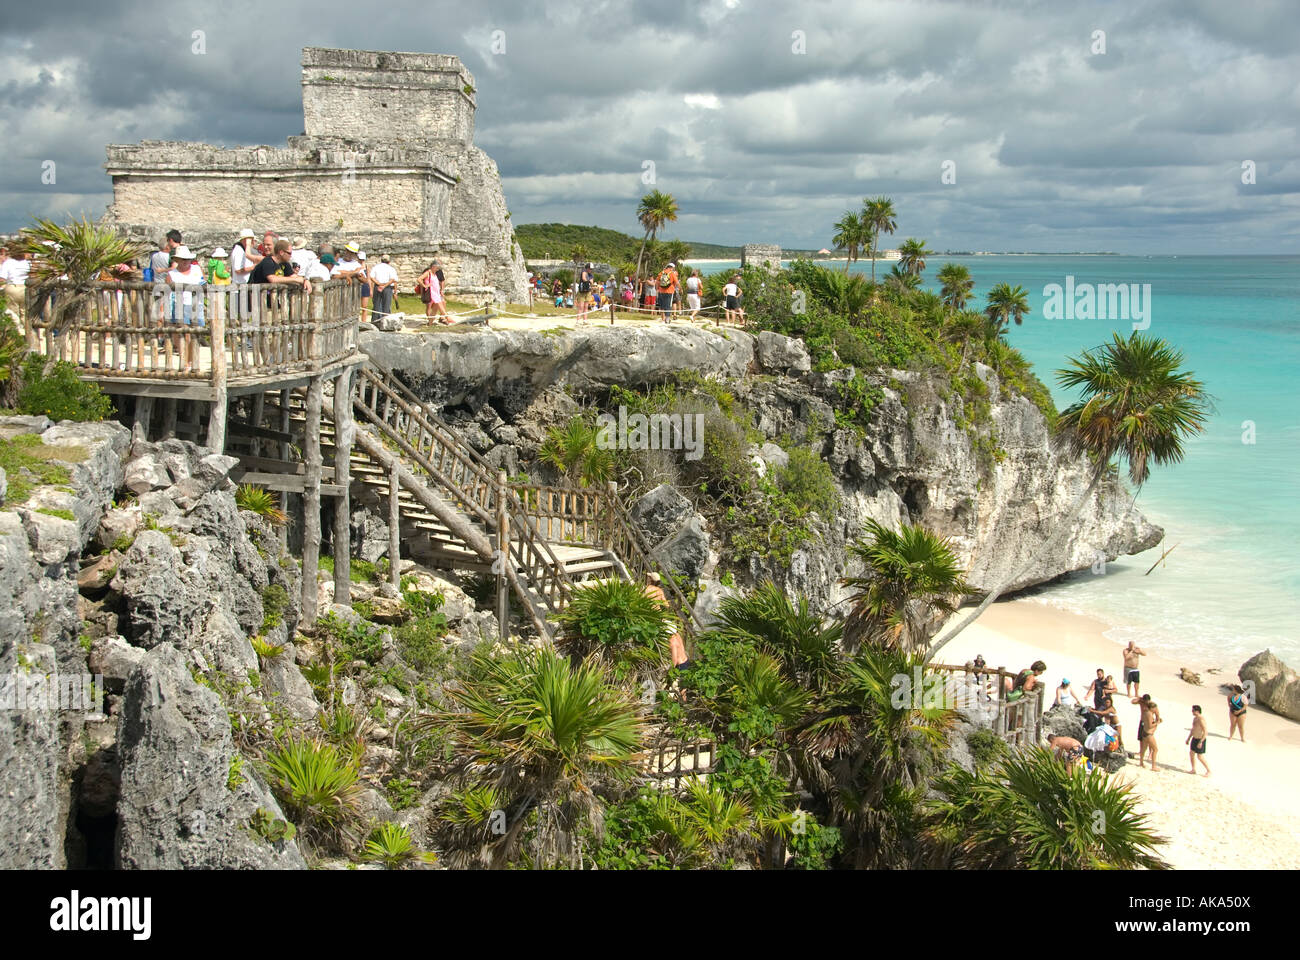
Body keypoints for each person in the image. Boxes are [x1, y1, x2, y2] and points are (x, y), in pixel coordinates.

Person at [166, 246, 205, 373]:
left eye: (187, 259)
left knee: (195, 334)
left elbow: (203, 283)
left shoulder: (197, 269)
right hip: (180, 304)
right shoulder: (172, 274)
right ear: (177, 259)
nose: (185, 262)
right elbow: (166, 293)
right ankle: (185, 361)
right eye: (182, 259)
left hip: (195, 304)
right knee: (184, 334)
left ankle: (191, 360)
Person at [1131, 694, 1161, 771]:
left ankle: (1141, 762)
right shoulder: (1149, 714)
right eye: (1154, 709)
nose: (1155, 710)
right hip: (1149, 734)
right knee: (1155, 749)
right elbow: (1150, 725)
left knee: (1143, 749)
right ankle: (1153, 766)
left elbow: (1149, 722)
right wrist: (1157, 723)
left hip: (1145, 732)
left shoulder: (1145, 712)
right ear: (1151, 708)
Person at [369, 254, 398, 318]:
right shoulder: (391, 269)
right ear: (389, 261)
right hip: (387, 287)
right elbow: (393, 279)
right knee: (386, 306)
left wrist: (378, 283)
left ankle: (375, 320)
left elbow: (371, 277)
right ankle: (385, 321)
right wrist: (385, 286)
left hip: (378, 286)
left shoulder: (376, 267)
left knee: (376, 305)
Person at [1186, 705, 1210, 776]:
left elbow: (1205, 731)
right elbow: (1193, 729)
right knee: (1191, 753)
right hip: (1194, 738)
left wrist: (1201, 742)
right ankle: (1193, 769)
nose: (1192, 712)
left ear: (1197, 711)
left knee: (1200, 757)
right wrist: (1188, 738)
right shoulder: (1195, 718)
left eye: (1193, 711)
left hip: (1200, 739)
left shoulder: (1201, 719)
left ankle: (1208, 770)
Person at [357, 251, 372, 318]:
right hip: (357, 286)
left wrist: (371, 289)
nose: (361, 261)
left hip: (365, 286)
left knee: (364, 306)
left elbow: (369, 278)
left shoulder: (366, 267)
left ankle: (364, 321)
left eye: (362, 259)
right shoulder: (355, 265)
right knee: (356, 306)